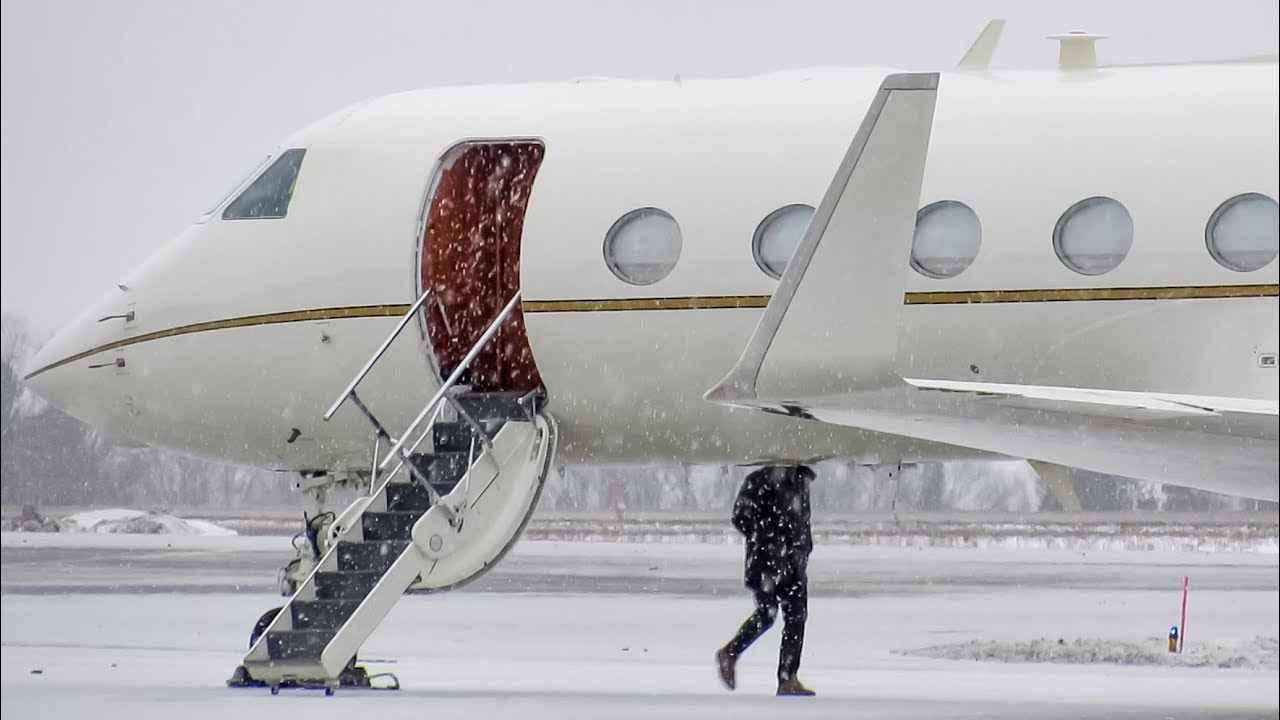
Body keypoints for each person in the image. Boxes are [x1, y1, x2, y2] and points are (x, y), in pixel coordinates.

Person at [715, 464, 816, 696]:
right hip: (766, 562)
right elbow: (741, 518)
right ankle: (730, 652)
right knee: (767, 614)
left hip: (793, 562)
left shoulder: (799, 480)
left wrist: (801, 549)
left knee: (796, 617)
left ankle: (787, 678)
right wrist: (769, 538)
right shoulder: (760, 480)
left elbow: (802, 522)